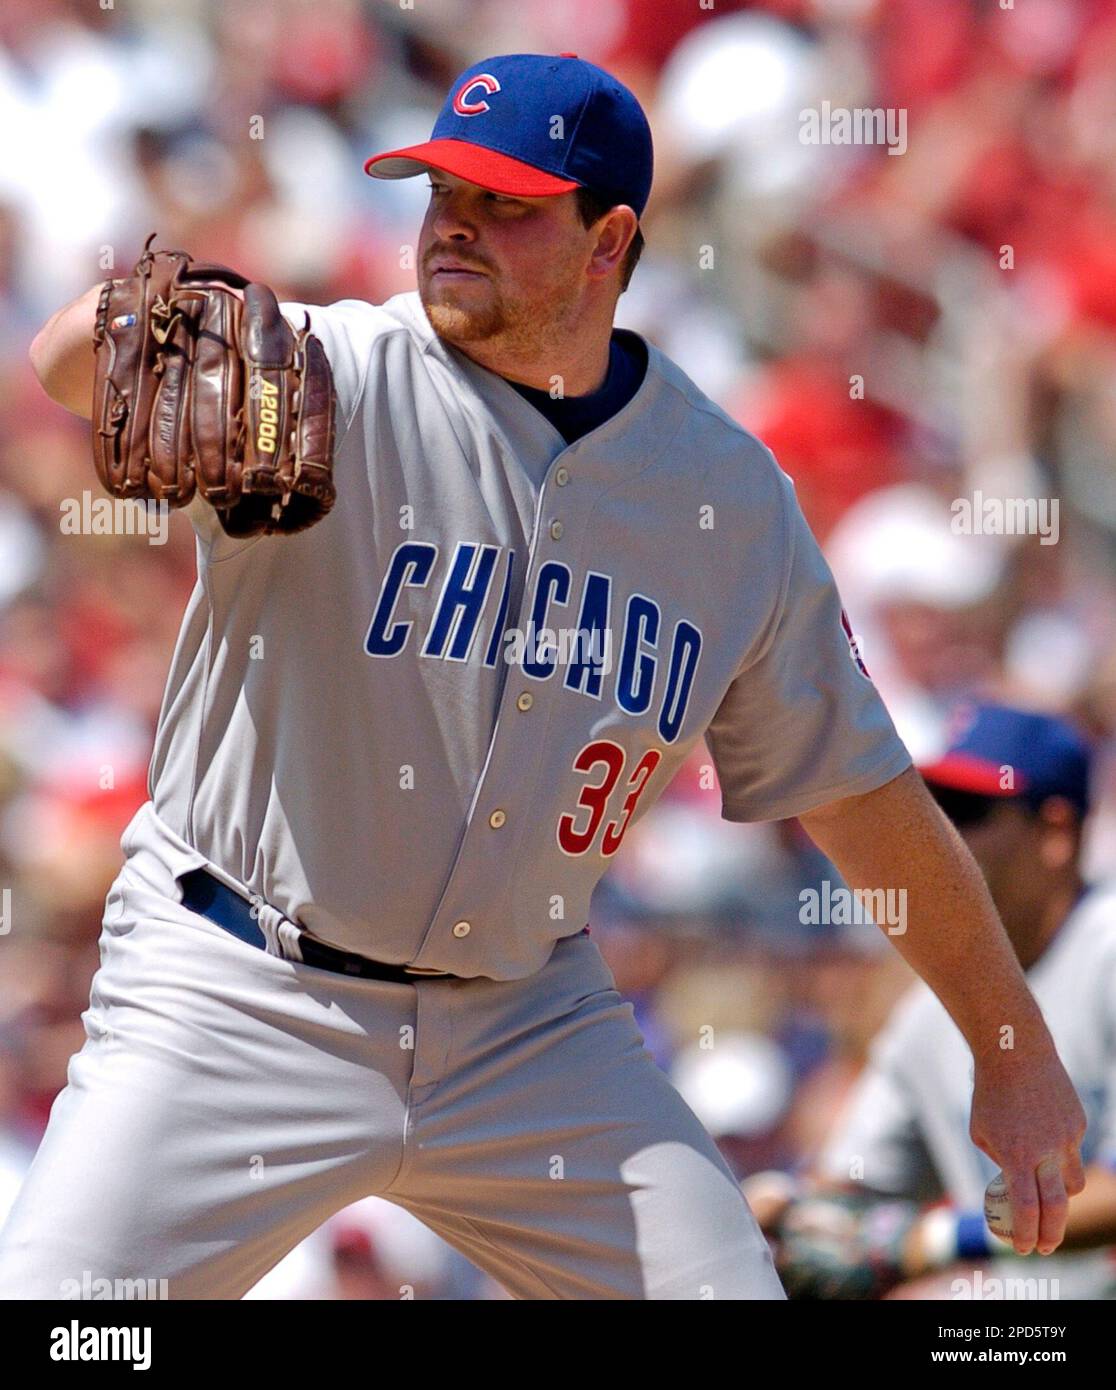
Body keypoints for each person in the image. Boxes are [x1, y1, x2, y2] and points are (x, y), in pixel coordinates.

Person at [1, 53, 1084, 1300]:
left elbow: (864, 798)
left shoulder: (725, 499)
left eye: (504, 201)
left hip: (523, 1027)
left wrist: (1009, 1045)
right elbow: (68, 357)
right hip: (241, 985)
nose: (454, 221)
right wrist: (152, 321)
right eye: (438, 191)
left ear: (609, 238)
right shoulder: (331, 376)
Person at [748, 703, 1116, 1299]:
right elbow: (857, 1186)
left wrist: (936, 1240)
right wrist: (791, 1213)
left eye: (965, 811)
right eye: (929, 809)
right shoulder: (933, 1005)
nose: (939, 835)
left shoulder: (1107, 947)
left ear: (1056, 833)